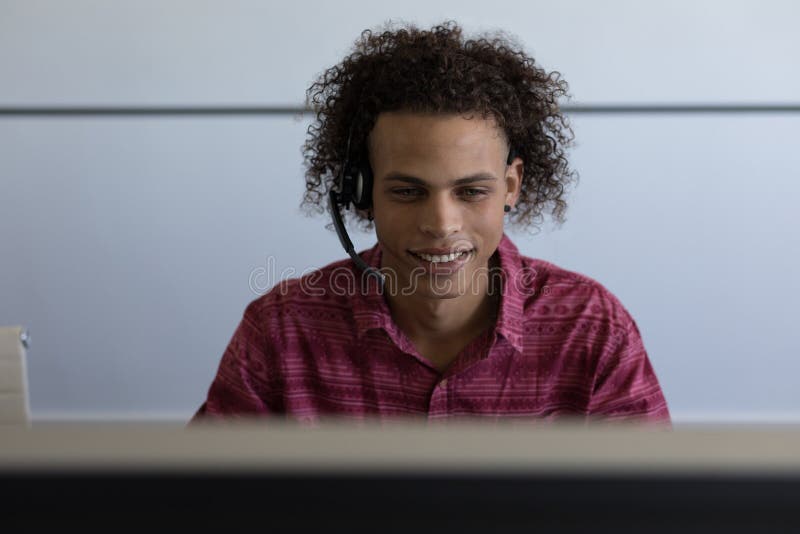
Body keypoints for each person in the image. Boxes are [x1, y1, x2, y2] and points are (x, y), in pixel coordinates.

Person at [193, 21, 669, 423]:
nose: (441, 224)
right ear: (362, 192)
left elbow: (651, 498)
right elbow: (203, 496)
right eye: (408, 191)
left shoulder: (593, 328)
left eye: (471, 192)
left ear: (511, 186)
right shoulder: (279, 331)